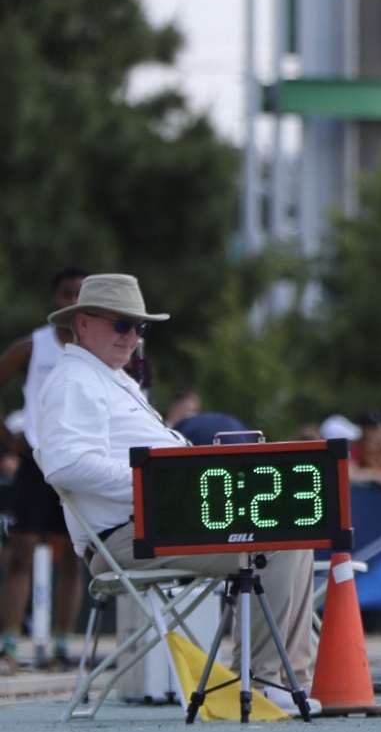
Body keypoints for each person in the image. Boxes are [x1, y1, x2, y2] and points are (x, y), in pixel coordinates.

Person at [32, 274, 315, 706]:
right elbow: (66, 467)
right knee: (278, 538)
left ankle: (292, 678)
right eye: (121, 325)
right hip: (129, 536)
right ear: (83, 325)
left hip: (157, 523)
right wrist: (163, 484)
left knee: (298, 529)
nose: (132, 337)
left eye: (139, 327)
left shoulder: (108, 377)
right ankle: (263, 684)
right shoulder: (76, 380)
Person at [0, 265, 87, 670]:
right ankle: (10, 647)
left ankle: (63, 647)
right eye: (67, 293)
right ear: (56, 298)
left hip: (78, 460)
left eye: (80, 294)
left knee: (74, 554)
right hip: (37, 460)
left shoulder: (99, 346)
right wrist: (8, 437)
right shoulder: (33, 346)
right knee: (21, 553)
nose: (72, 301)